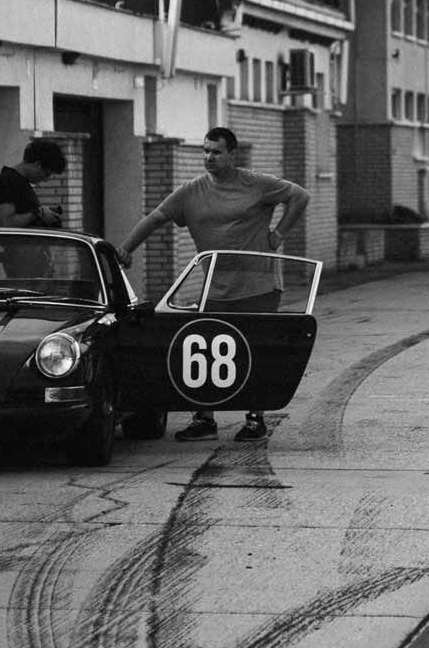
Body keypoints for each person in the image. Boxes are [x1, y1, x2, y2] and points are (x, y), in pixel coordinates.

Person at [119, 126, 308, 442]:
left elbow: (300, 196)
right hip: (216, 287)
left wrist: (279, 235)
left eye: (216, 152)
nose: (209, 157)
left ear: (232, 155)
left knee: (253, 350)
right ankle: (204, 419)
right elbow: (155, 218)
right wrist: (125, 249)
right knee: (207, 351)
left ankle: (254, 419)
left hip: (258, 285)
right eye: (205, 151)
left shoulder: (256, 184)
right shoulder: (191, 191)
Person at [0, 138, 67, 228]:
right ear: (38, 165)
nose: (45, 180)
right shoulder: (7, 180)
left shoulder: (21, 183)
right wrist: (38, 213)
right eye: (46, 174)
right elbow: (5, 224)